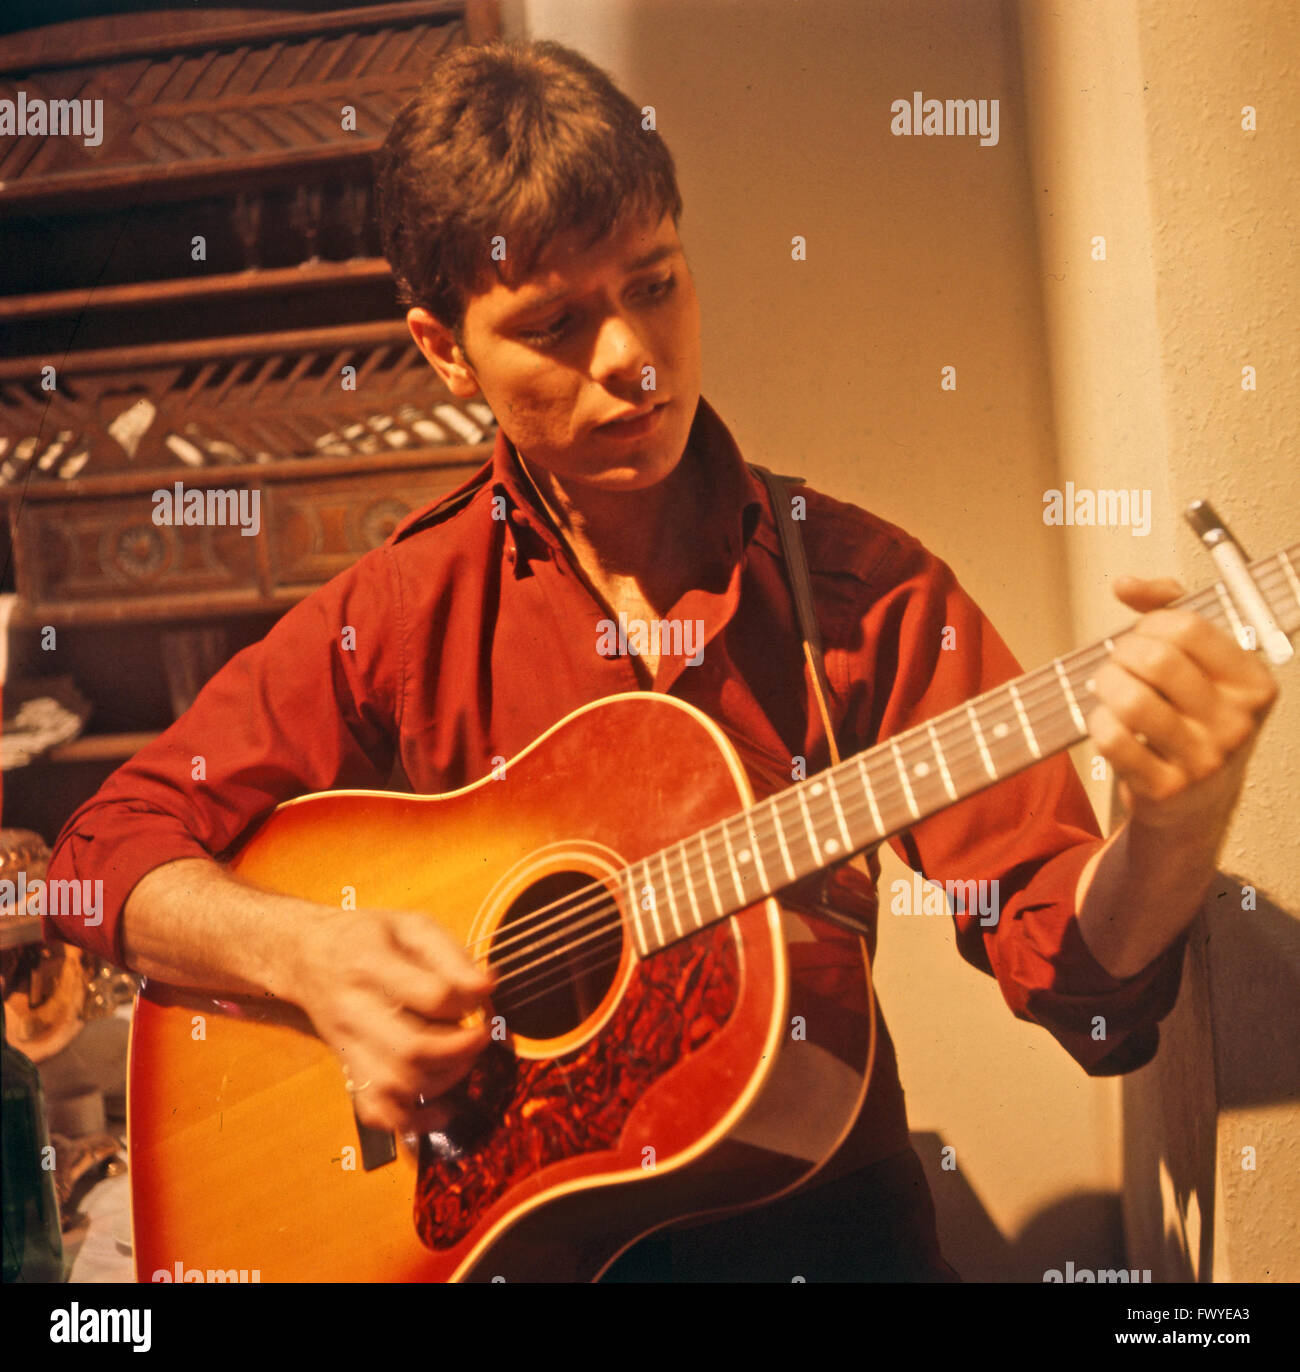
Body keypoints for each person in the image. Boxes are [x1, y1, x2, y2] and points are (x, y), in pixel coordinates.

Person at [43, 39, 1277, 1282]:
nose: (632, 355)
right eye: (555, 324)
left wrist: (1177, 822)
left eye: (657, 281)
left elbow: (1099, 1008)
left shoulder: (860, 591)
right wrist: (312, 959)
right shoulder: (408, 609)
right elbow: (97, 866)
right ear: (445, 349)